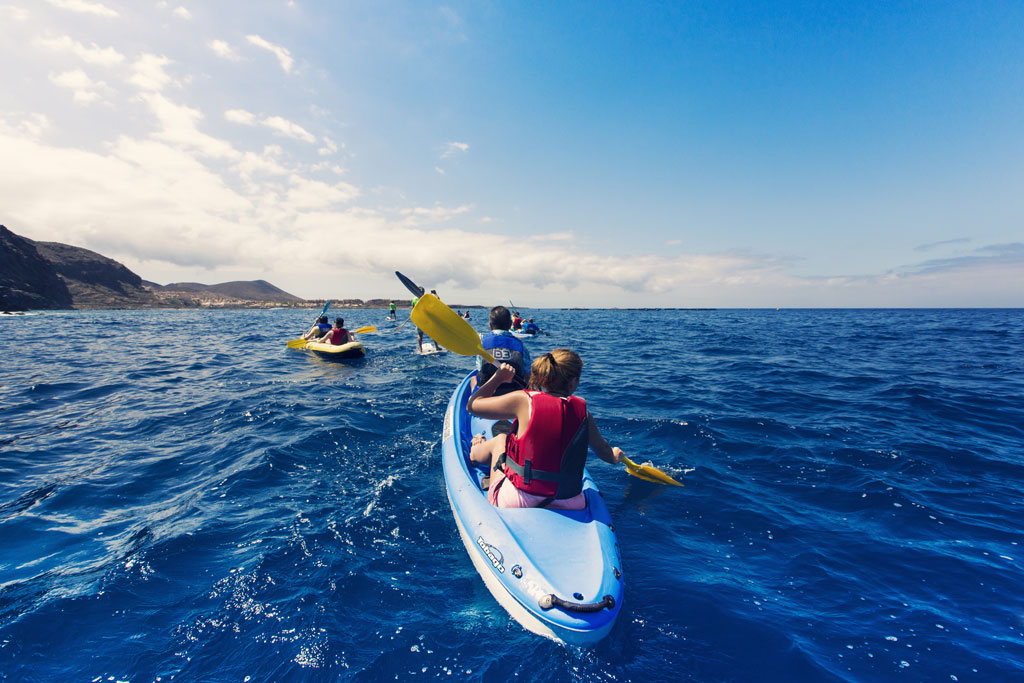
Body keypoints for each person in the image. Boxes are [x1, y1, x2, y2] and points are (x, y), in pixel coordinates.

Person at [467, 349, 623, 510]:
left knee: (501, 440)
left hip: (519, 500)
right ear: (573, 382)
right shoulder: (584, 414)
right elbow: (603, 450)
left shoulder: (523, 400)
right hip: (571, 502)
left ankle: (475, 451)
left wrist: (498, 378)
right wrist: (615, 456)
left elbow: (473, 405)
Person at [472, 306, 530, 394]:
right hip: (514, 394)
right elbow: (527, 373)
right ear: (511, 324)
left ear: (490, 325)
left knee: (473, 379)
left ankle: (472, 399)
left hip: (487, 395)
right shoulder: (521, 345)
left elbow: (480, 368)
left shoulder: (482, 343)